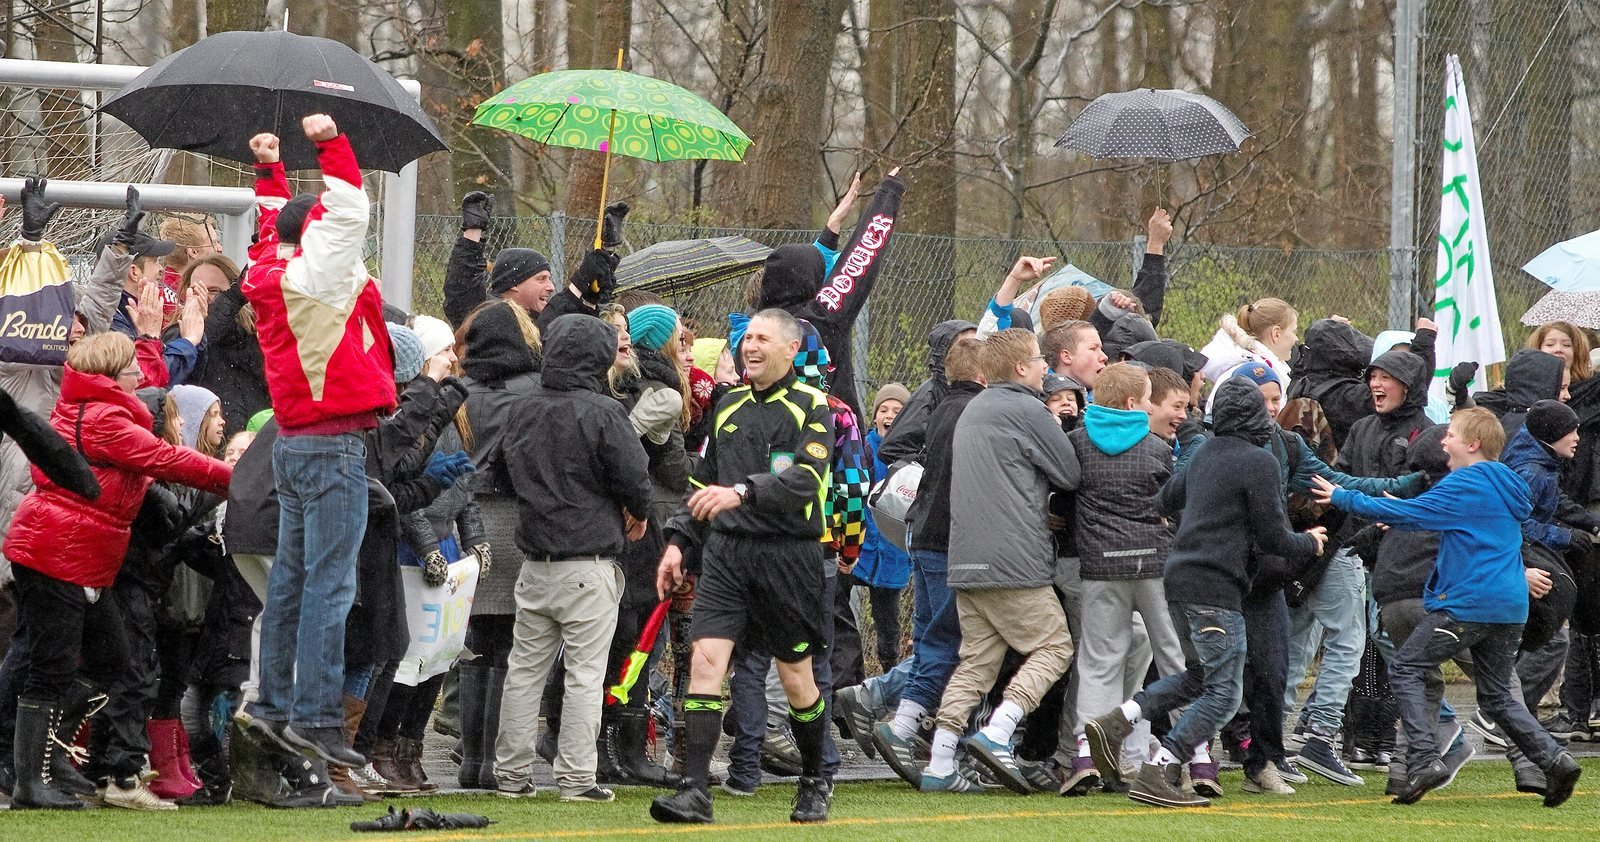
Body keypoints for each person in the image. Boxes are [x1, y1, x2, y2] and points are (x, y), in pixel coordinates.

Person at [3, 332, 231, 810]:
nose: (141, 377)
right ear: (112, 376)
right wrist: (235, 478)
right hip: (58, 552)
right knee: (51, 667)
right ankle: (30, 780)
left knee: (110, 659)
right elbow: (165, 458)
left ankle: (52, 756)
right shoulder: (104, 417)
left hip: (78, 553)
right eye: (133, 370)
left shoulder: (98, 408)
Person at [1311, 408, 1582, 808]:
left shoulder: (1465, 483)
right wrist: (1408, 509)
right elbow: (1441, 517)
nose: (1443, 441)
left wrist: (1342, 496)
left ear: (1472, 445)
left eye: (1450, 435)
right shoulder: (1508, 481)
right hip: (1509, 607)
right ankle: (1554, 760)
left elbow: (1413, 515)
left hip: (1468, 603)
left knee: (1405, 668)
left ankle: (1424, 759)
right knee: (1497, 696)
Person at [238, 114, 398, 768]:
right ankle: (318, 718)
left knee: (293, 586)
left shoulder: (269, 271)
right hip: (333, 448)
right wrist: (329, 142)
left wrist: (271, 169)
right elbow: (351, 206)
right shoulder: (318, 277)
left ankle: (275, 705)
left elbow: (276, 224)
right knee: (330, 588)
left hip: (294, 446)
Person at [1086, 376, 1324, 809]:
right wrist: (1310, 541)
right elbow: (1274, 537)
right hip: (1215, 585)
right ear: (1254, 415)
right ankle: (1161, 767)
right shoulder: (1259, 462)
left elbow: (1163, 501)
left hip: (1177, 579)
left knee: (1198, 678)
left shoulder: (1203, 454)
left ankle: (1119, 720)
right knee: (1224, 692)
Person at [650, 309, 837, 825]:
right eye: (745, 337)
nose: (749, 346)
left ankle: (816, 778)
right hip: (729, 558)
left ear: (790, 349)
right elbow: (701, 483)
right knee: (707, 662)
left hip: (787, 559)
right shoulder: (727, 402)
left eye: (761, 338)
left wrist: (743, 491)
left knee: (797, 679)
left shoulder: (813, 407)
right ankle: (694, 790)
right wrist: (678, 544)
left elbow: (804, 480)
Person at [492, 314, 652, 803]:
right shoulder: (603, 411)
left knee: (525, 670)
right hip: (588, 560)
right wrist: (638, 512)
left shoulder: (521, 408)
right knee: (586, 672)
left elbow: (502, 469)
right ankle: (577, 778)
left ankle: (511, 775)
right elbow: (633, 475)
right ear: (600, 357)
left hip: (535, 559)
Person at [920, 328, 1079, 795]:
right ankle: (999, 731)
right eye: (1037, 360)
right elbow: (1068, 472)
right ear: (1018, 368)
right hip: (1014, 560)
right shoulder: (1027, 408)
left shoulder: (974, 407)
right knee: (1055, 647)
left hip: (965, 559)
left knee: (977, 662)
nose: (1045, 368)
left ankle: (940, 762)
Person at [1285, 326, 1437, 787]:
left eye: (1386, 377)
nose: (1376, 384)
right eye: (1372, 375)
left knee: (1385, 644)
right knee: (1332, 643)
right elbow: (1345, 478)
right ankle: (1307, 736)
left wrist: (1372, 512)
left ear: (1409, 388)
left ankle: (1311, 734)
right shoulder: (1366, 427)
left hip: (1397, 559)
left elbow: (1413, 495)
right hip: (1348, 549)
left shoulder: (1425, 434)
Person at [1062, 363, 1185, 795]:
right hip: (1153, 564)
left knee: (1099, 660)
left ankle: (1084, 752)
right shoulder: (1156, 448)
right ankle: (1193, 752)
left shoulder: (1076, 443)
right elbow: (1170, 500)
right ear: (1134, 404)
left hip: (1100, 566)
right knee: (1172, 655)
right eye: (1150, 397)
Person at [868, 337, 985, 787]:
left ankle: (902, 720)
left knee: (931, 639)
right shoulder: (969, 412)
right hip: (947, 542)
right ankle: (910, 731)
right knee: (949, 641)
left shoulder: (940, 409)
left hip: (926, 536)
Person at [451, 299, 543, 790]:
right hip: (512, 519)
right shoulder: (533, 392)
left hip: (465, 521)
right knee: (509, 648)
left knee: (474, 648)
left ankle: (470, 761)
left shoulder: (457, 390)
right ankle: (493, 762)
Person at [856, 382, 912, 669]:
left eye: (897, 410)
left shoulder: (913, 458)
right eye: (883, 409)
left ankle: (889, 678)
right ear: (875, 415)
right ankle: (851, 676)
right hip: (860, 550)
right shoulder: (861, 449)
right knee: (844, 617)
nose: (889, 415)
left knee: (888, 628)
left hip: (892, 554)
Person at [443, 191, 556, 328]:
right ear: (514, 283)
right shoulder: (486, 317)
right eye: (541, 279)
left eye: (549, 279)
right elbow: (461, 290)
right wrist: (473, 231)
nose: (551, 287)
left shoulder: (548, 324)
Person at [1200, 298, 1298, 397]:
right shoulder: (1257, 375)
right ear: (1276, 334)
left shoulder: (1257, 365)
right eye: (1294, 331)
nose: (1296, 338)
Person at [1041, 319, 1107, 392]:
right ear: (1067, 357)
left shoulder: (1109, 397)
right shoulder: (1041, 399)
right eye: (1093, 349)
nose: (1104, 357)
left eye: (1101, 349)